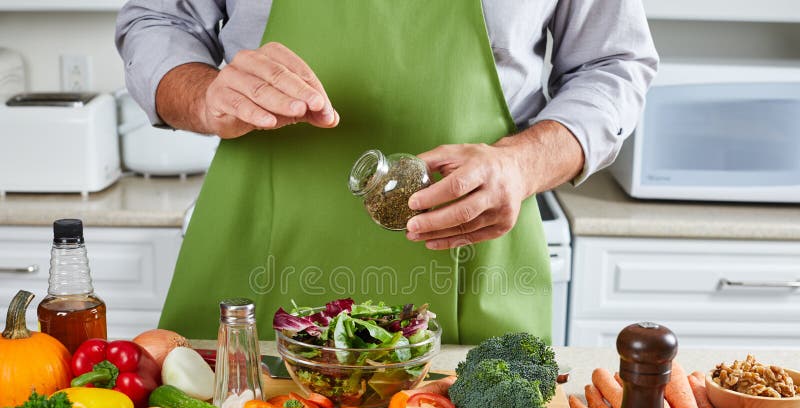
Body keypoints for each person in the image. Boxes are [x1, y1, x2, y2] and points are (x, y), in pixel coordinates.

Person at [116, 1, 658, 344]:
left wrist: (522, 162)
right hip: (256, 255)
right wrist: (204, 93)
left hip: (470, 249)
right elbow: (157, 19)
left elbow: (615, 62)